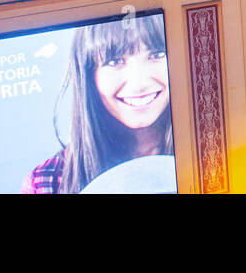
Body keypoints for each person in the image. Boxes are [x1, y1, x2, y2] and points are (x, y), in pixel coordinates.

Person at [22, 13, 173, 194]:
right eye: (114, 61)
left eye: (157, 54)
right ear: (89, 76)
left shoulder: (210, 152)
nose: (139, 83)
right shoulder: (48, 182)